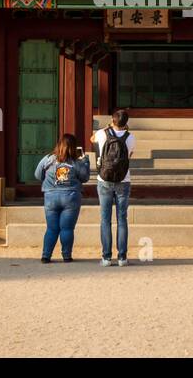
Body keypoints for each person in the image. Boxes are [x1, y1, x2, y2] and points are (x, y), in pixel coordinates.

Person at [35, 133, 91, 263]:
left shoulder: (48, 159)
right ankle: (66, 255)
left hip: (51, 196)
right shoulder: (76, 162)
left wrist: (49, 181)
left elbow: (37, 175)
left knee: (51, 228)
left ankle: (46, 255)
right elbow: (84, 178)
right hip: (71, 196)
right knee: (67, 228)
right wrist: (86, 162)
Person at [91, 108, 135, 267]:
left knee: (105, 219)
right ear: (126, 122)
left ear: (112, 120)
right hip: (124, 180)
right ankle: (122, 257)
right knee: (122, 219)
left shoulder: (102, 134)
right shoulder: (131, 137)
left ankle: (106, 257)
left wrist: (107, 127)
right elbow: (129, 156)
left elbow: (92, 139)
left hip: (104, 179)